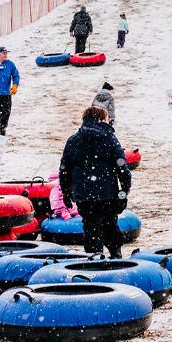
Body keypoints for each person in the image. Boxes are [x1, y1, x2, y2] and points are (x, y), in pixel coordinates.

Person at [59, 106, 131, 258]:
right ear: (101, 119)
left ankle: (95, 258)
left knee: (91, 228)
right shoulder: (110, 139)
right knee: (110, 224)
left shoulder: (73, 141)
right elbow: (122, 167)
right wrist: (124, 190)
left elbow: (64, 170)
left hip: (84, 195)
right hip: (107, 193)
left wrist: (66, 192)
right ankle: (116, 255)